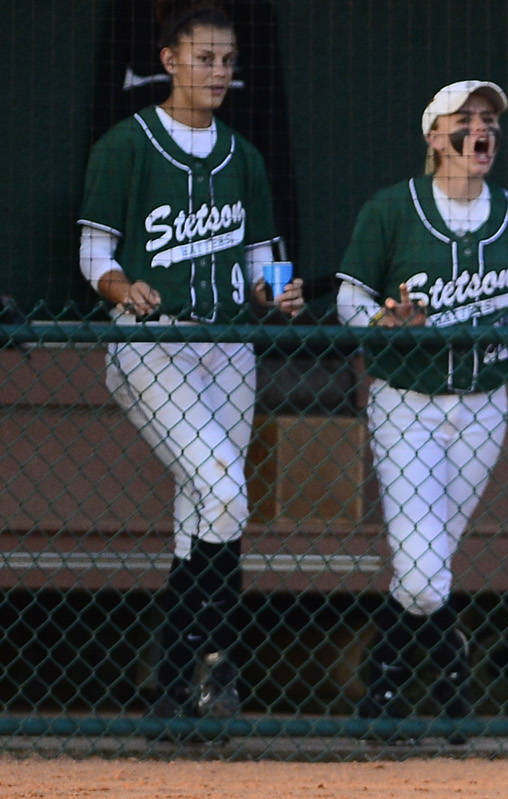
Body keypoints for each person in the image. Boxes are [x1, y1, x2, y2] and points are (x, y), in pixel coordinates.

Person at [335, 80, 508, 741]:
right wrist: (384, 319)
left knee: (430, 562)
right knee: (424, 567)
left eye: (489, 119)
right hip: (405, 401)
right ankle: (451, 678)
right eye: (465, 120)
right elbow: (349, 300)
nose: (480, 129)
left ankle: (383, 689)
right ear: (435, 137)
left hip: (484, 403)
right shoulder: (393, 210)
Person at [76, 1, 302, 730]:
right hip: (154, 341)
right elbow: (93, 254)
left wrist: (281, 290)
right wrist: (120, 286)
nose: (218, 71)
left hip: (230, 342)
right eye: (204, 58)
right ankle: (212, 660)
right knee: (224, 491)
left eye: (228, 60)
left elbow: (264, 260)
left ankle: (174, 686)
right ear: (169, 60)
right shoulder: (126, 144)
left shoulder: (244, 156)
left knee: (200, 512)